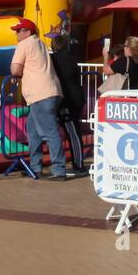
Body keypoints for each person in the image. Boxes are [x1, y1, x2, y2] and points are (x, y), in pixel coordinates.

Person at [9, 18, 68, 181]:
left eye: (18, 31)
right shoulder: (40, 43)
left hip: (39, 95)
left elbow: (14, 69)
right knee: (33, 131)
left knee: (49, 132)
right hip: (50, 92)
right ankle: (35, 167)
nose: (16, 34)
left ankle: (59, 169)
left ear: (27, 32)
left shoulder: (24, 44)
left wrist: (18, 73)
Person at [49, 32, 88, 174]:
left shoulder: (55, 59)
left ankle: (78, 164)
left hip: (68, 100)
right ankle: (76, 162)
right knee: (72, 131)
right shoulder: (72, 58)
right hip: (77, 98)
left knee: (73, 132)